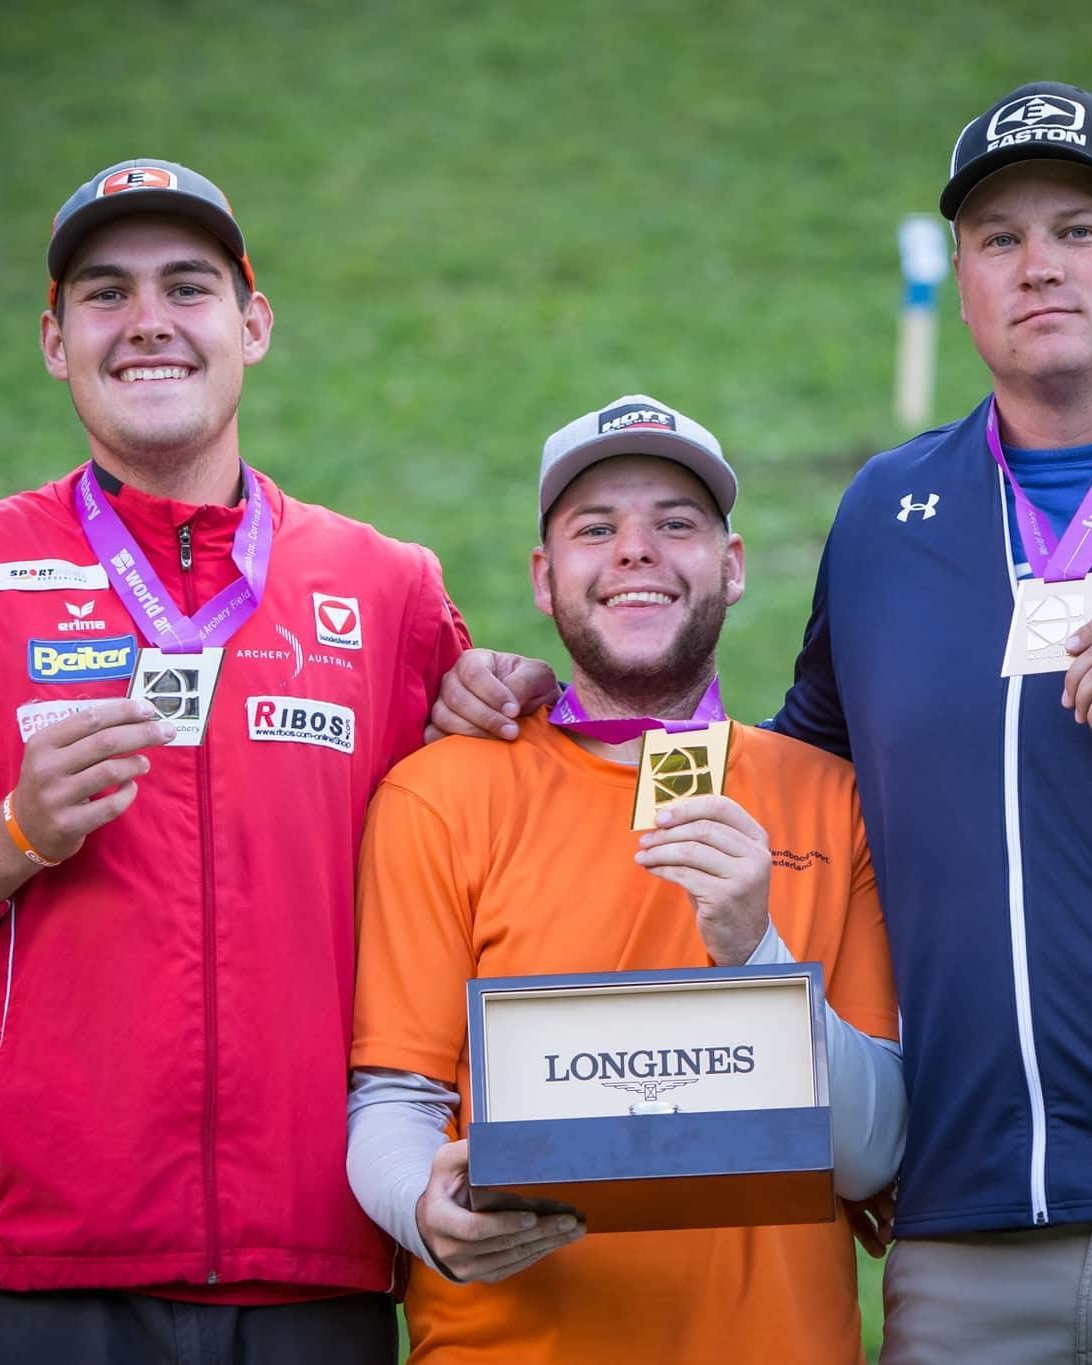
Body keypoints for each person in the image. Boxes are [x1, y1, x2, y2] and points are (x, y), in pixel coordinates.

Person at [430, 83, 1092, 1364]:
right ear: (959, 280)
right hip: (963, 1248)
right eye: (997, 238)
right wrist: (556, 711)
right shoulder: (893, 515)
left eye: (1080, 227)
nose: (1037, 265)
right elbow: (802, 789)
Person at [0, 159, 469, 1363]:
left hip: (318, 1267)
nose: (148, 323)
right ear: (54, 340)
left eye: (187, 286)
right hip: (42, 1277)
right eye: (104, 295)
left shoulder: (388, 592)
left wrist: (512, 702)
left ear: (252, 325)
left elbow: (477, 885)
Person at [345, 396, 905, 1363]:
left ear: (731, 568)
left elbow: (875, 1150)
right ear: (544, 577)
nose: (635, 551)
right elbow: (395, 1098)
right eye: (594, 528)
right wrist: (420, 1205)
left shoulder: (832, 798)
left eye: (675, 523)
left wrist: (753, 954)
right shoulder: (439, 791)